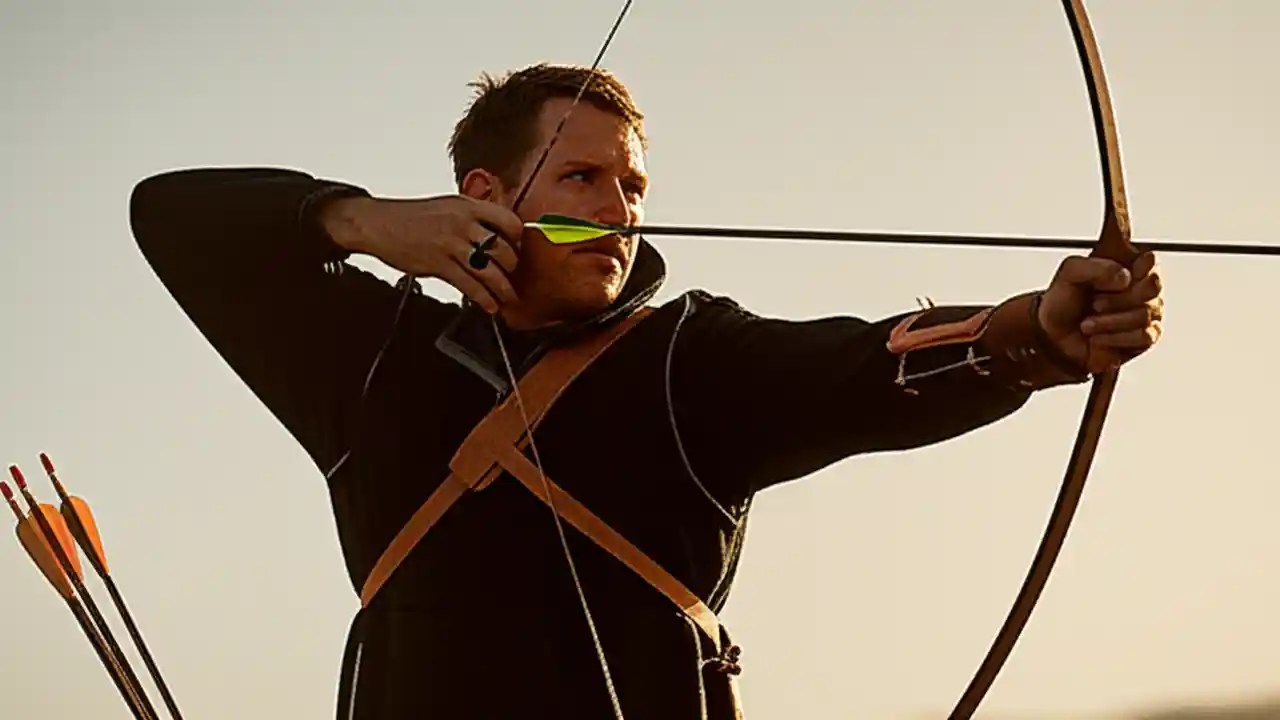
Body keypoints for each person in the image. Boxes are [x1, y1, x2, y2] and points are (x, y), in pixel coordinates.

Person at [129, 63, 1164, 719]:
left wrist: (1034, 333)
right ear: (483, 196)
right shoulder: (371, 355)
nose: (617, 211)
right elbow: (168, 217)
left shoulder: (688, 358)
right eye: (582, 179)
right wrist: (357, 221)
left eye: (631, 187)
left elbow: (865, 366)